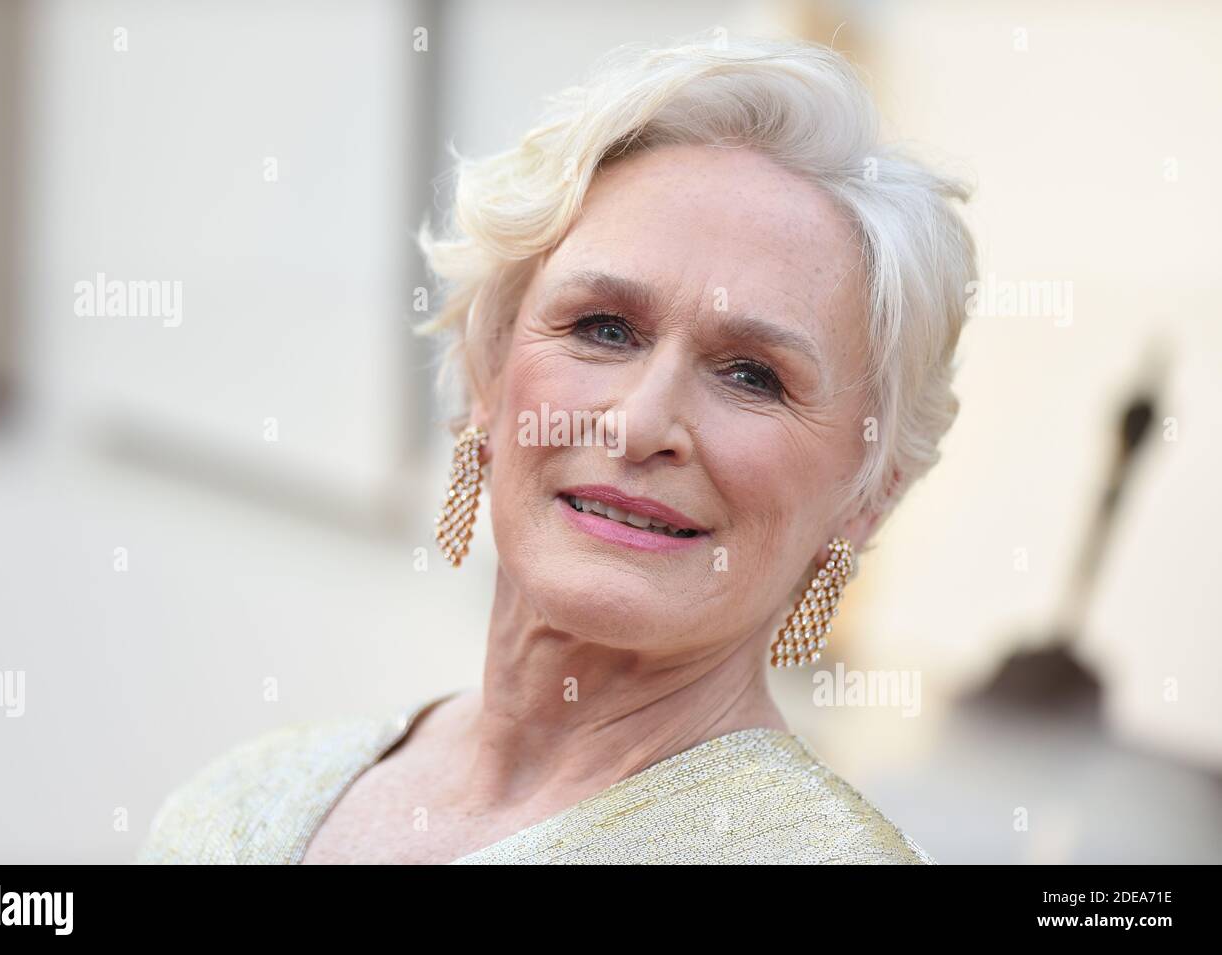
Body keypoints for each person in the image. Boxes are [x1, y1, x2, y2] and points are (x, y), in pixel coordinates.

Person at [138, 31, 975, 865]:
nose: (641, 425)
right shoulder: (237, 805)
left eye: (753, 376)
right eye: (604, 328)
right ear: (486, 374)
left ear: (869, 495)